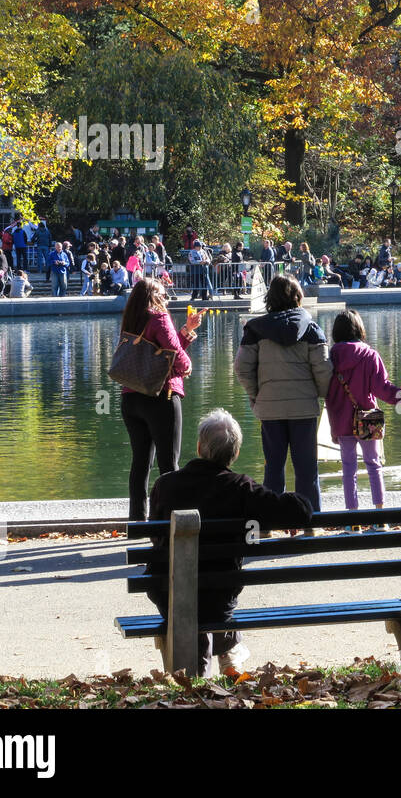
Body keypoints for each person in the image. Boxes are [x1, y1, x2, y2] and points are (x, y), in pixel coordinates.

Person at [145, 409, 312, 676]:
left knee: (194, 597)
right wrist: (292, 505)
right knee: (212, 600)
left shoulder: (165, 485)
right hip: (218, 599)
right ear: (234, 454)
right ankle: (229, 657)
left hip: (168, 594)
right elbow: (301, 511)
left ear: (199, 446)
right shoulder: (241, 489)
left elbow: (155, 537)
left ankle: (204, 667)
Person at [234, 273, 332, 512]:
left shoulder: (256, 329)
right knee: (307, 469)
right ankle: (311, 522)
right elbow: (324, 370)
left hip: (269, 408)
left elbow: (241, 368)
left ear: (270, 297)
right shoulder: (311, 328)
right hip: (304, 409)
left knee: (273, 467)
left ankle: (270, 522)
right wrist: (316, 394)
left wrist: (256, 394)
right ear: (298, 296)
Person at [119, 278, 203, 521]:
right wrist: (186, 367)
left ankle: (137, 521)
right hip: (160, 397)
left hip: (131, 398)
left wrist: (187, 330)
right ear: (154, 297)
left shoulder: (131, 320)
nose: (166, 300)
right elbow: (176, 356)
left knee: (140, 463)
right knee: (169, 465)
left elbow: (156, 353)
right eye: (164, 295)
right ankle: (169, 521)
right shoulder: (159, 317)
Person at [326, 309, 401, 515]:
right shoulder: (370, 355)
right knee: (373, 464)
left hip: (341, 419)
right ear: (359, 329)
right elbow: (382, 389)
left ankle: (352, 518)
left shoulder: (329, 358)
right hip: (368, 417)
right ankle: (380, 515)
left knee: (348, 468)